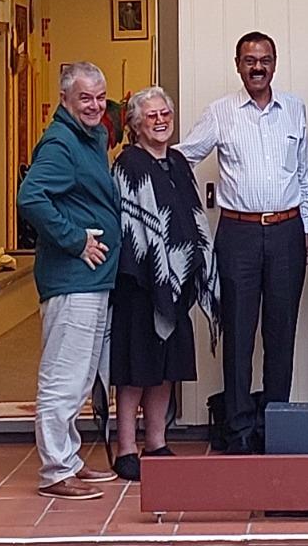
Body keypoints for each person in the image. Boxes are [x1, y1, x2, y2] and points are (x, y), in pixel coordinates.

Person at [178, 32, 308, 454]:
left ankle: (276, 427)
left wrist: (306, 229)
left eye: (265, 59)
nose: (258, 67)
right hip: (238, 235)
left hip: (288, 232)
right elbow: (182, 157)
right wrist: (145, 159)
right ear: (238, 64)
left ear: (275, 63)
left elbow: (302, 176)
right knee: (237, 334)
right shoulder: (220, 112)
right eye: (250, 60)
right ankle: (236, 431)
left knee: (281, 333)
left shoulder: (294, 109)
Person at [16, 62, 122, 499]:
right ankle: (56, 470)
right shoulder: (61, 142)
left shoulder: (90, 136)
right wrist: (75, 240)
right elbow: (30, 197)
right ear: (65, 100)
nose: (96, 105)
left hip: (93, 278)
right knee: (63, 375)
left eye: (100, 97)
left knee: (79, 377)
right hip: (72, 277)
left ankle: (70, 460)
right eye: (85, 98)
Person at [109, 87, 220, 480]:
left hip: (177, 283)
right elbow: (132, 224)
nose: (160, 121)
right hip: (140, 281)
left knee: (166, 366)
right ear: (136, 124)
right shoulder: (129, 163)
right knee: (137, 367)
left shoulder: (176, 160)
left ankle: (156, 442)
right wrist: (159, 268)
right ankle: (126, 449)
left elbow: (191, 214)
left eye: (165, 114)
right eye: (151, 116)